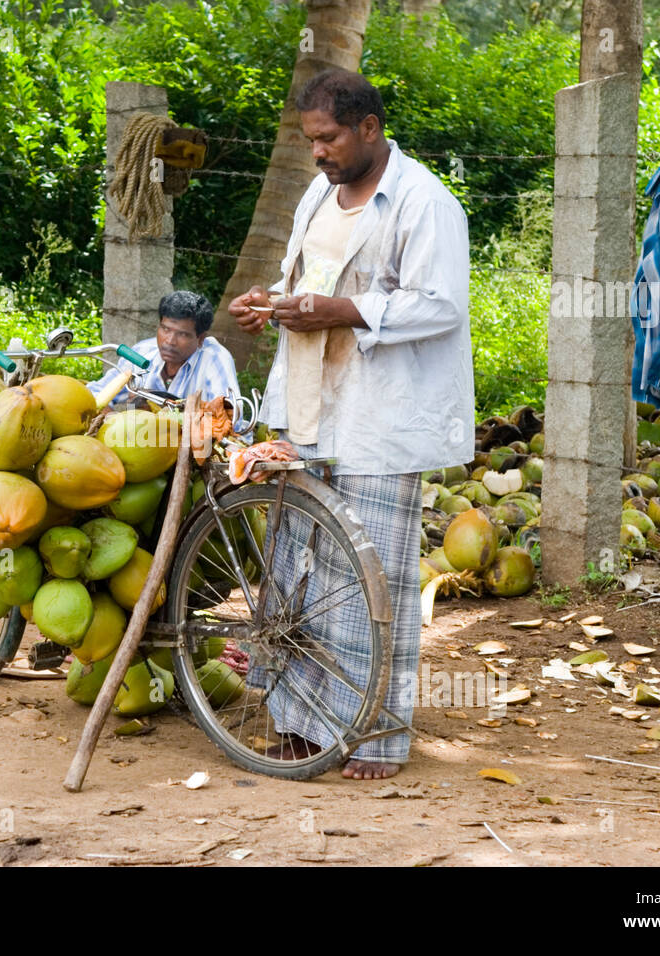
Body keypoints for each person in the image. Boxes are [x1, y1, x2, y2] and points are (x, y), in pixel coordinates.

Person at [227, 69, 474, 780]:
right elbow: (303, 281)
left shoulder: (424, 202)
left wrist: (345, 312)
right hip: (307, 403)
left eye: (328, 138)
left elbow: (439, 304)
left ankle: (372, 736)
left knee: (370, 581)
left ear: (369, 128)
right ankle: (302, 725)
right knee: (297, 570)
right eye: (310, 141)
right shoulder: (318, 194)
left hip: (378, 419)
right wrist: (267, 303)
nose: (319, 153)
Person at [88, 290, 241, 411]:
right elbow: (94, 393)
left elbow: (230, 419)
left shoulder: (215, 359)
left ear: (200, 338)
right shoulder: (142, 353)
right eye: (165, 329)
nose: (169, 341)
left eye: (182, 334)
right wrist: (110, 420)